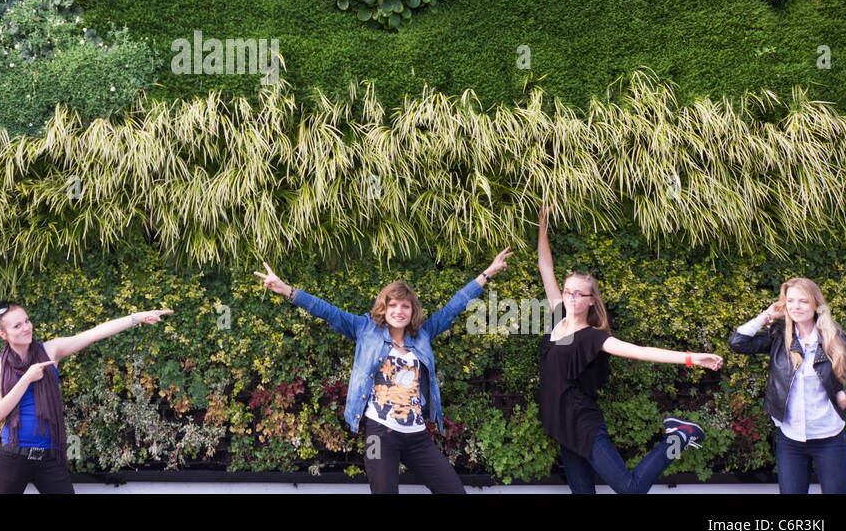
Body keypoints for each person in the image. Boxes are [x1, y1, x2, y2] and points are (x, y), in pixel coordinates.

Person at [255, 250, 513, 494]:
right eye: (393, 306)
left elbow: (454, 307)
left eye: (405, 306)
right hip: (379, 433)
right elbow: (327, 311)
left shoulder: (422, 334)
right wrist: (286, 290)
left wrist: (487, 273)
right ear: (384, 308)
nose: (399, 312)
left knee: (453, 489)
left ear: (413, 312)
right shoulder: (364, 329)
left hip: (416, 436)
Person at [535, 203, 722, 493]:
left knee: (631, 489)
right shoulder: (557, 313)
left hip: (583, 425)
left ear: (591, 301)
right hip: (563, 427)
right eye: (567, 290)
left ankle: (680, 437)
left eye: (579, 293)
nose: (570, 296)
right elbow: (545, 266)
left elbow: (641, 351)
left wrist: (692, 358)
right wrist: (542, 223)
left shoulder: (593, 337)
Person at [0, 300, 173, 494]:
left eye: (27, 321)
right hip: (12, 457)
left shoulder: (50, 351)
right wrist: (27, 378)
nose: (26, 328)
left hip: (48, 457)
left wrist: (138, 317)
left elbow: (93, 334)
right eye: (17, 325)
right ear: (3, 334)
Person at [729, 277, 846, 494]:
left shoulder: (835, 340)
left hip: (830, 439)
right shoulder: (778, 336)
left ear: (816, 304)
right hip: (790, 440)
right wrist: (767, 316)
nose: (795, 307)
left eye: (803, 301)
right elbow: (738, 343)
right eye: (790, 301)